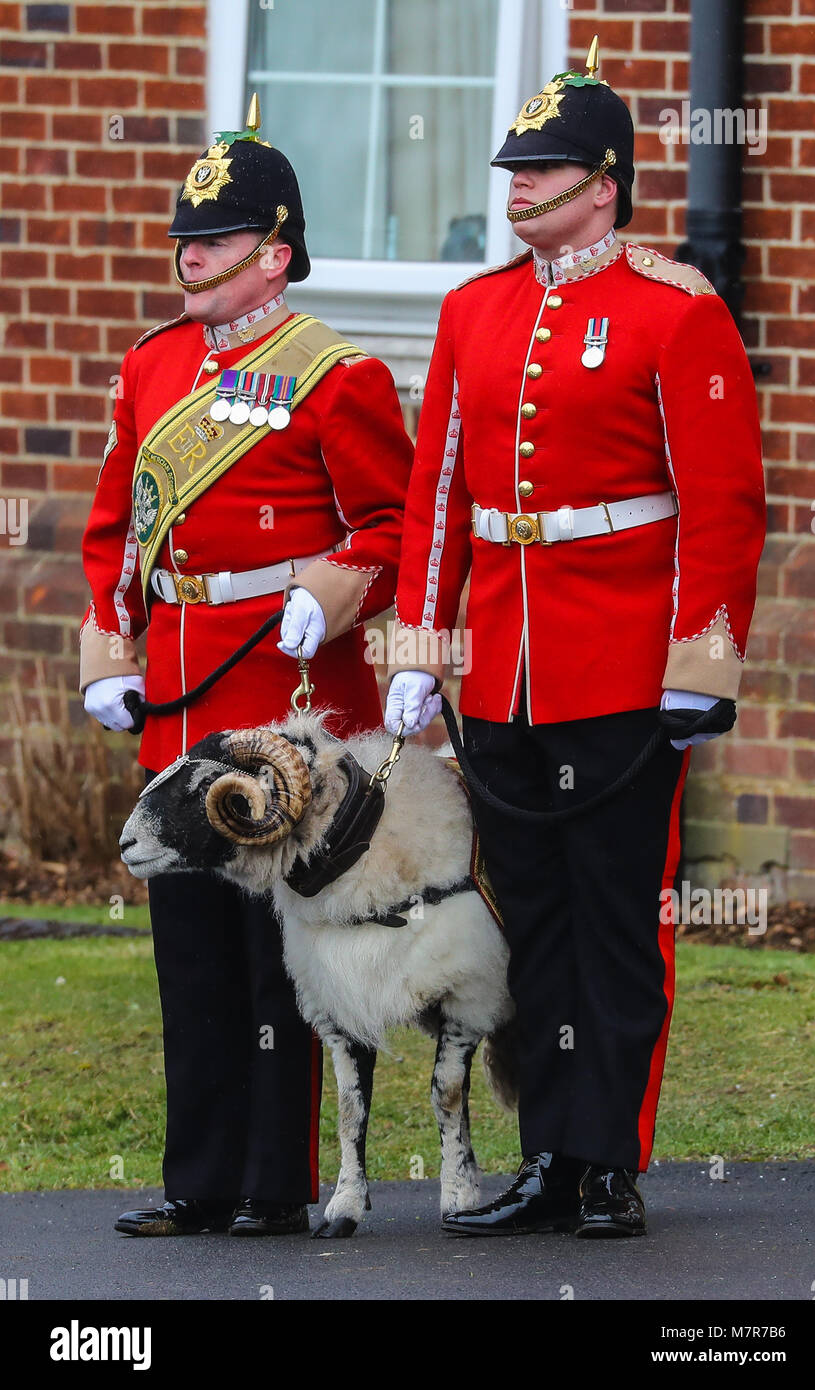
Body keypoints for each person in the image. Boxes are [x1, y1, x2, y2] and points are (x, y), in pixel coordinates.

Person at [385, 40, 765, 1237]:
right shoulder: (472, 310)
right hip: (502, 667)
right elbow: (438, 495)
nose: (517, 184)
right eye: (513, 164)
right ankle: (547, 1152)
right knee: (532, 927)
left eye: (542, 166)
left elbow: (721, 500)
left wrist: (700, 658)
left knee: (616, 922)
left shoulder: (673, 309)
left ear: (602, 183)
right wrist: (417, 646)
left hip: (621, 669)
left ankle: (609, 1160)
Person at [80, 98, 413, 1236]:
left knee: (277, 961)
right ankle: (199, 1180)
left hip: (282, 695)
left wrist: (326, 596)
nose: (190, 252)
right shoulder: (151, 365)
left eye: (215, 238)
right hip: (178, 689)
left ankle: (274, 1185)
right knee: (190, 952)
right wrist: (106, 649)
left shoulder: (337, 373)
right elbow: (111, 530)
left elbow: (391, 528)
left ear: (275, 254)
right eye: (185, 234)